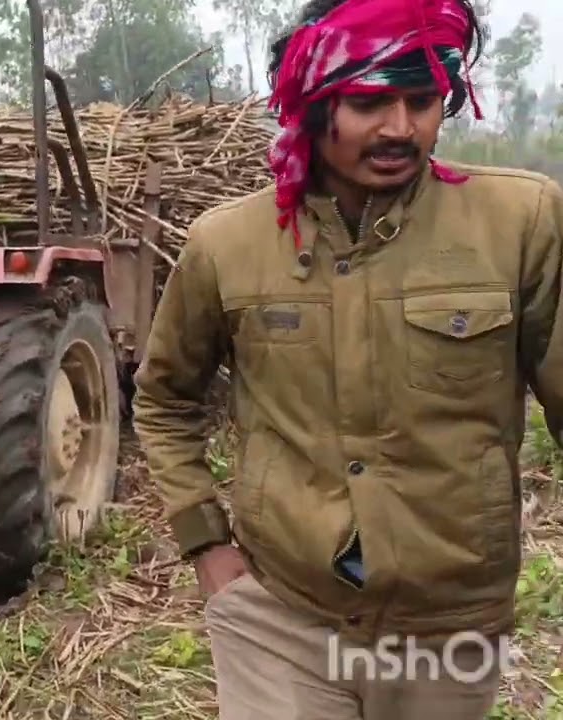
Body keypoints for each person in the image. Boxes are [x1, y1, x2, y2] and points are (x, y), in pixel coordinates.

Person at [133, 0, 563, 717]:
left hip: (446, 625)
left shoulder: (520, 225)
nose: (401, 127)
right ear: (312, 102)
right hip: (280, 613)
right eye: (369, 101)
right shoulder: (227, 245)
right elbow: (164, 398)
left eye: (422, 99)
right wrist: (207, 545)